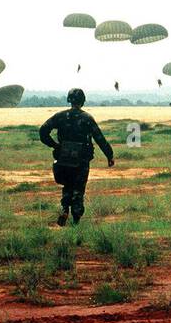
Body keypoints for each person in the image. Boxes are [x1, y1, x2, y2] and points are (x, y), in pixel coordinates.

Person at [38, 88, 114, 226]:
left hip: (64, 157)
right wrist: (110, 155)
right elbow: (99, 138)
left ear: (69, 100)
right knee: (78, 188)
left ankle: (64, 209)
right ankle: (76, 220)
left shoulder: (60, 116)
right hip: (81, 159)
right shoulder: (87, 118)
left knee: (67, 185)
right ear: (83, 101)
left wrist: (55, 146)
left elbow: (43, 131)